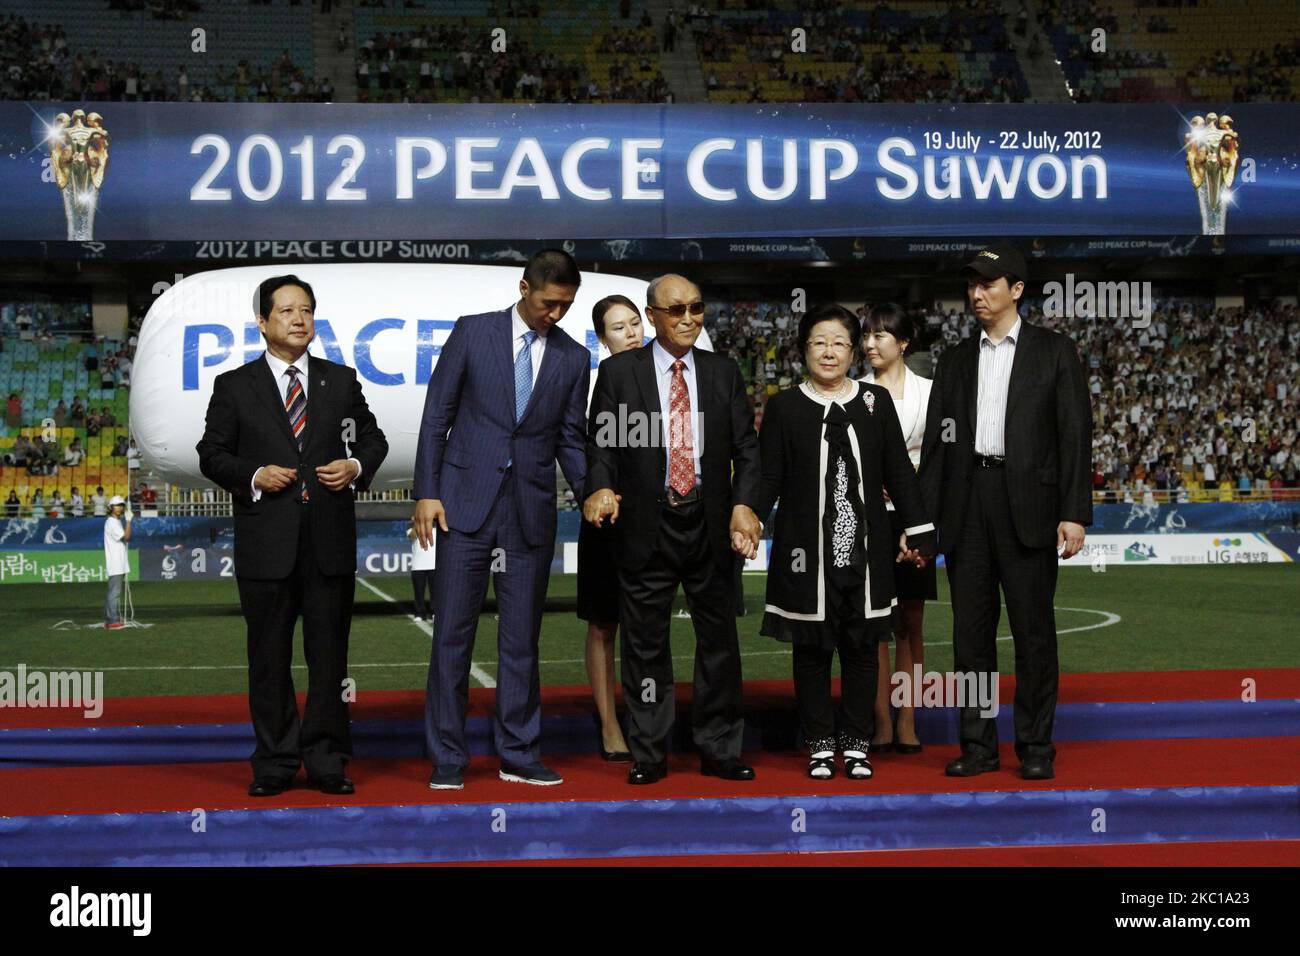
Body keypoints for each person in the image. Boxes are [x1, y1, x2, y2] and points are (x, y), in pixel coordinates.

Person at [196, 274, 389, 798]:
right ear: (262, 322)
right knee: (268, 660)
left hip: (329, 543)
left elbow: (373, 440)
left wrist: (354, 465)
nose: (299, 319)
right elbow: (211, 454)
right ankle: (276, 763)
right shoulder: (234, 386)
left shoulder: (341, 380)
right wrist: (253, 476)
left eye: (306, 309)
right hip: (266, 544)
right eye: (285, 311)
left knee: (330, 660)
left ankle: (327, 758)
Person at [413, 249, 590, 791]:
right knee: (451, 637)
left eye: (565, 306)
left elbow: (570, 438)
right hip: (462, 506)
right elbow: (436, 415)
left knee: (521, 642)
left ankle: (519, 752)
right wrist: (426, 493)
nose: (554, 314)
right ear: (523, 288)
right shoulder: (472, 333)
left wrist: (592, 491)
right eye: (547, 303)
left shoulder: (574, 358)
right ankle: (447, 756)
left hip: (529, 514)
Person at [918, 242, 1092, 781]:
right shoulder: (953, 360)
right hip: (967, 507)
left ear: (1016, 290)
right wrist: (925, 521)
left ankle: (1036, 745)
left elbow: (1075, 436)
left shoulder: (1056, 351)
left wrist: (1074, 511)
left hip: (1032, 507)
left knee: (1033, 633)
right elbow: (937, 450)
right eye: (971, 285)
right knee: (971, 635)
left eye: (988, 284)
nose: (976, 293)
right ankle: (978, 746)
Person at [584, 274, 762, 786]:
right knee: (643, 647)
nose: (689, 318)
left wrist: (745, 504)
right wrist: (599, 486)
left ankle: (721, 747)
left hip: (709, 525)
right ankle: (650, 752)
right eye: (676, 309)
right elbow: (602, 445)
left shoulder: (723, 371)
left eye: (697, 308)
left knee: (720, 645)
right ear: (654, 315)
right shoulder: (619, 373)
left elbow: (747, 449)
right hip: (644, 526)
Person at [755, 305, 934, 780]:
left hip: (868, 552)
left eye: (839, 342)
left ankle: (855, 742)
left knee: (861, 646)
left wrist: (919, 530)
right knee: (811, 648)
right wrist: (747, 514)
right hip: (803, 554)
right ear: (803, 349)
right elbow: (769, 474)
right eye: (819, 342)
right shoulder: (784, 406)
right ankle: (818, 743)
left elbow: (898, 471)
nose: (829, 351)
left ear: (853, 352)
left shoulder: (876, 402)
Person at [860, 304, 935, 754]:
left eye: (880, 336)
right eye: (866, 336)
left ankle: (908, 719)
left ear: (904, 342)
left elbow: (938, 459)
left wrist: (917, 520)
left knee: (911, 621)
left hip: (916, 517)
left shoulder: (931, 393)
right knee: (875, 624)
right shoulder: (855, 392)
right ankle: (880, 720)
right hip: (869, 520)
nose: (869, 344)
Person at [576, 294, 642, 762]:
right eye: (618, 327)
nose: (631, 332)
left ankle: (645, 714)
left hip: (657, 521)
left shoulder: (666, 377)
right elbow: (596, 445)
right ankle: (609, 722)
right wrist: (600, 490)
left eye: (635, 322)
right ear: (602, 338)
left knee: (645, 625)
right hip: (605, 517)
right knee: (604, 622)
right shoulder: (599, 381)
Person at [103, 494, 131, 630]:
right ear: (111, 507)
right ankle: (112, 620)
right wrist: (129, 521)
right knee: (114, 592)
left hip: (118, 561)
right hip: (115, 563)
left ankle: (111, 619)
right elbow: (126, 537)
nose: (120, 508)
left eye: (121, 505)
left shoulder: (115, 522)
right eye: (117, 505)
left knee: (114, 592)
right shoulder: (112, 522)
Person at [407, 524, 435, 622]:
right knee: (419, 592)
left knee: (435, 592)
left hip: (434, 565)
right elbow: (412, 536)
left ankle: (434, 613)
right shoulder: (412, 529)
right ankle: (419, 613)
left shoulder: (436, 529)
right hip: (418, 566)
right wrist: (417, 523)